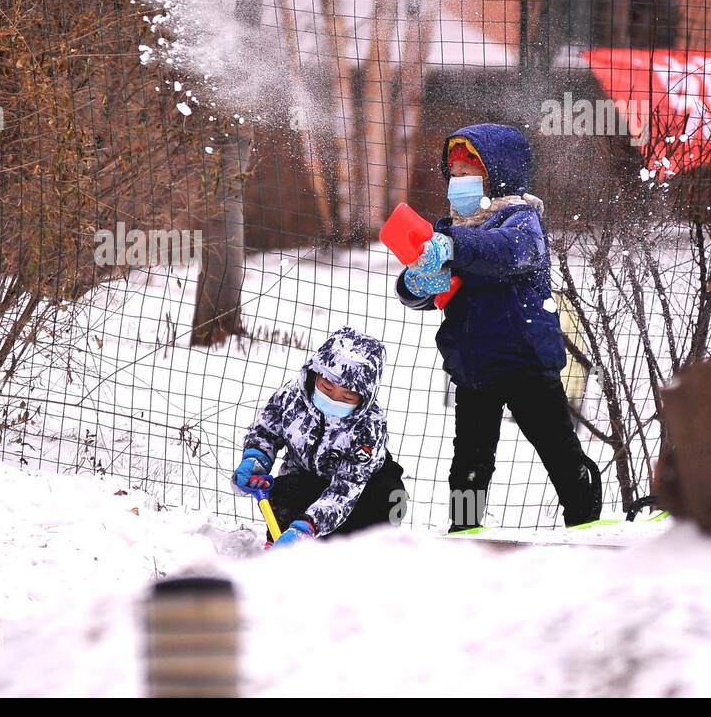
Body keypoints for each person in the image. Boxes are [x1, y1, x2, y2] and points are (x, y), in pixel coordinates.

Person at [396, 123, 602, 530]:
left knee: (556, 446)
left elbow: (505, 253)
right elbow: (419, 290)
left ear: (497, 175)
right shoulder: (449, 232)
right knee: (470, 458)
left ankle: (583, 515)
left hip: (524, 360)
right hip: (474, 368)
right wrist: (417, 282)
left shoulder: (521, 220)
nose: (457, 183)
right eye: (453, 174)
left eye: (468, 174)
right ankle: (465, 525)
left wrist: (454, 248)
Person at [234, 327, 407, 546]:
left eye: (347, 396)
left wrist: (309, 525)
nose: (334, 399)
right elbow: (266, 431)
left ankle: (356, 550)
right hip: (306, 474)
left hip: (363, 487)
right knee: (283, 494)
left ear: (364, 397)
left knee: (387, 504)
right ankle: (282, 543)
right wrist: (255, 459)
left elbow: (345, 490)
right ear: (315, 374)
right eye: (326, 387)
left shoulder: (368, 426)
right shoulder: (292, 397)